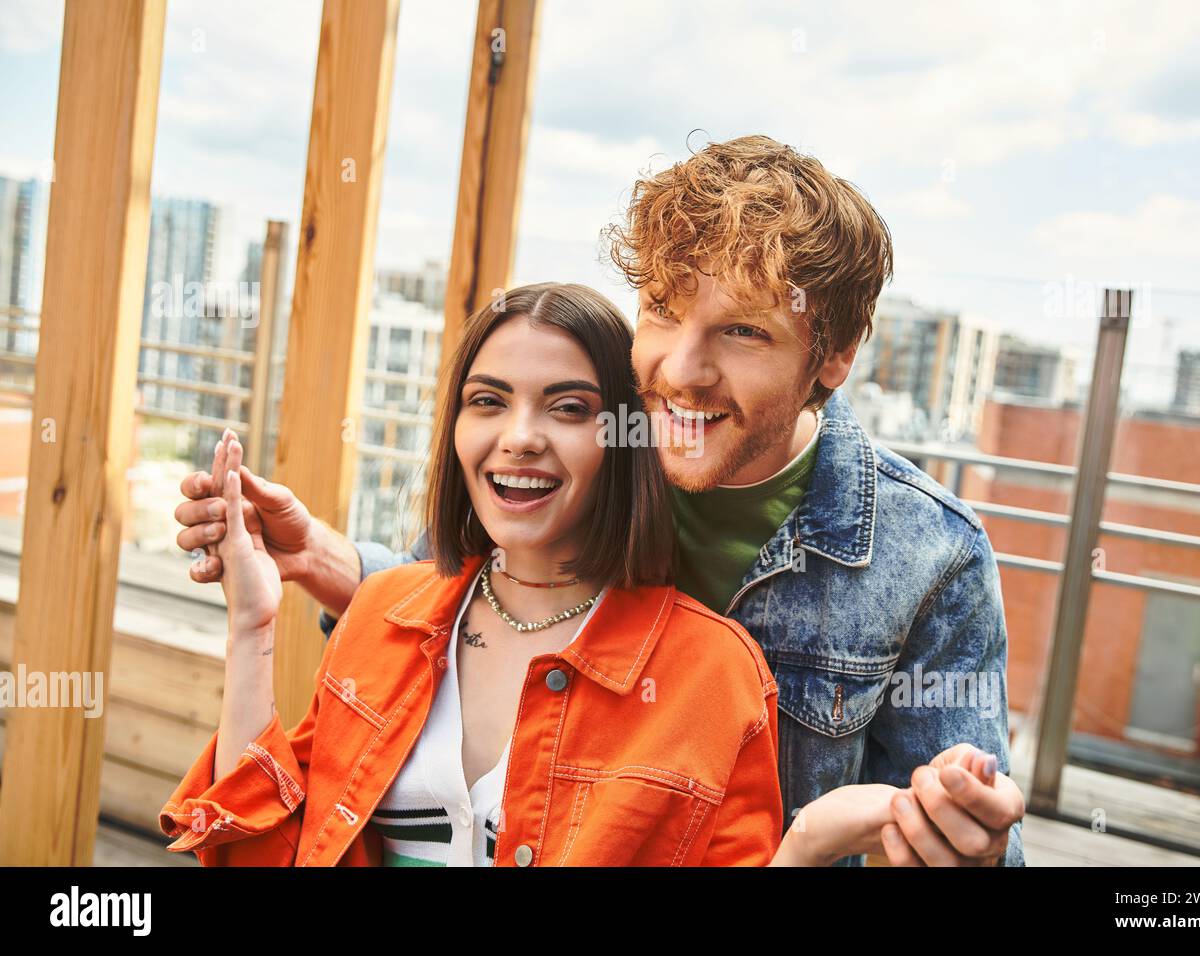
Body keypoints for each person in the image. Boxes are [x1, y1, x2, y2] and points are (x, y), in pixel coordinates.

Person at [175, 135, 1027, 866]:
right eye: (662, 310)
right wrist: (318, 562)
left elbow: (970, 834)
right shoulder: (599, 443)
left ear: (834, 354)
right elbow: (497, 600)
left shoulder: (928, 557)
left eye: (742, 331)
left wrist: (949, 834)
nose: (680, 372)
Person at [159, 284, 788, 866]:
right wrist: (251, 624)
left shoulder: (714, 673)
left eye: (569, 409)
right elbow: (257, 856)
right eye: (487, 401)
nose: (519, 438)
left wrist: (811, 845)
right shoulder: (380, 610)